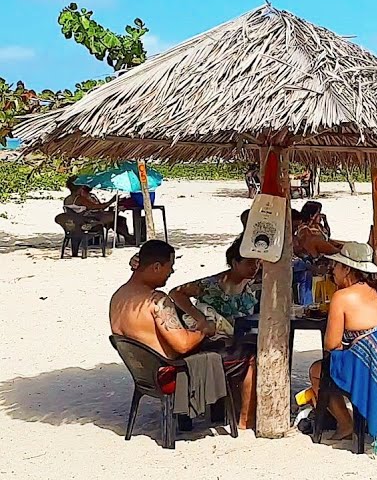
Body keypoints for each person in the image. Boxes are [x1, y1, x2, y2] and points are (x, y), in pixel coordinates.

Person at [109, 241, 254, 426]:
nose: (171, 272)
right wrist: (204, 329)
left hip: (146, 371)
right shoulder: (157, 300)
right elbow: (183, 345)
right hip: (173, 369)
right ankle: (245, 420)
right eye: (170, 267)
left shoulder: (119, 296)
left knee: (221, 346)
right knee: (249, 356)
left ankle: (219, 414)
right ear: (156, 267)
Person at [308, 243, 377, 440]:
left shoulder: (342, 297)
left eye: (337, 266)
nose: (333, 270)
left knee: (317, 370)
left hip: (369, 370)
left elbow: (331, 345)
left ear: (347, 269)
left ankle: (345, 423)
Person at [169, 240, 261, 428]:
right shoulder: (212, 284)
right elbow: (176, 293)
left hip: (238, 337)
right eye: (249, 264)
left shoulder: (249, 285)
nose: (255, 268)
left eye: (257, 263)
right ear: (235, 263)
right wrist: (199, 318)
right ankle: (245, 418)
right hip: (214, 342)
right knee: (254, 358)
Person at [63, 176, 133, 244]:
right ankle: (128, 237)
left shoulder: (67, 199)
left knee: (114, 218)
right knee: (114, 218)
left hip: (79, 221)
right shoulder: (80, 199)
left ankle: (128, 237)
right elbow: (98, 207)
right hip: (86, 222)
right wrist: (111, 201)